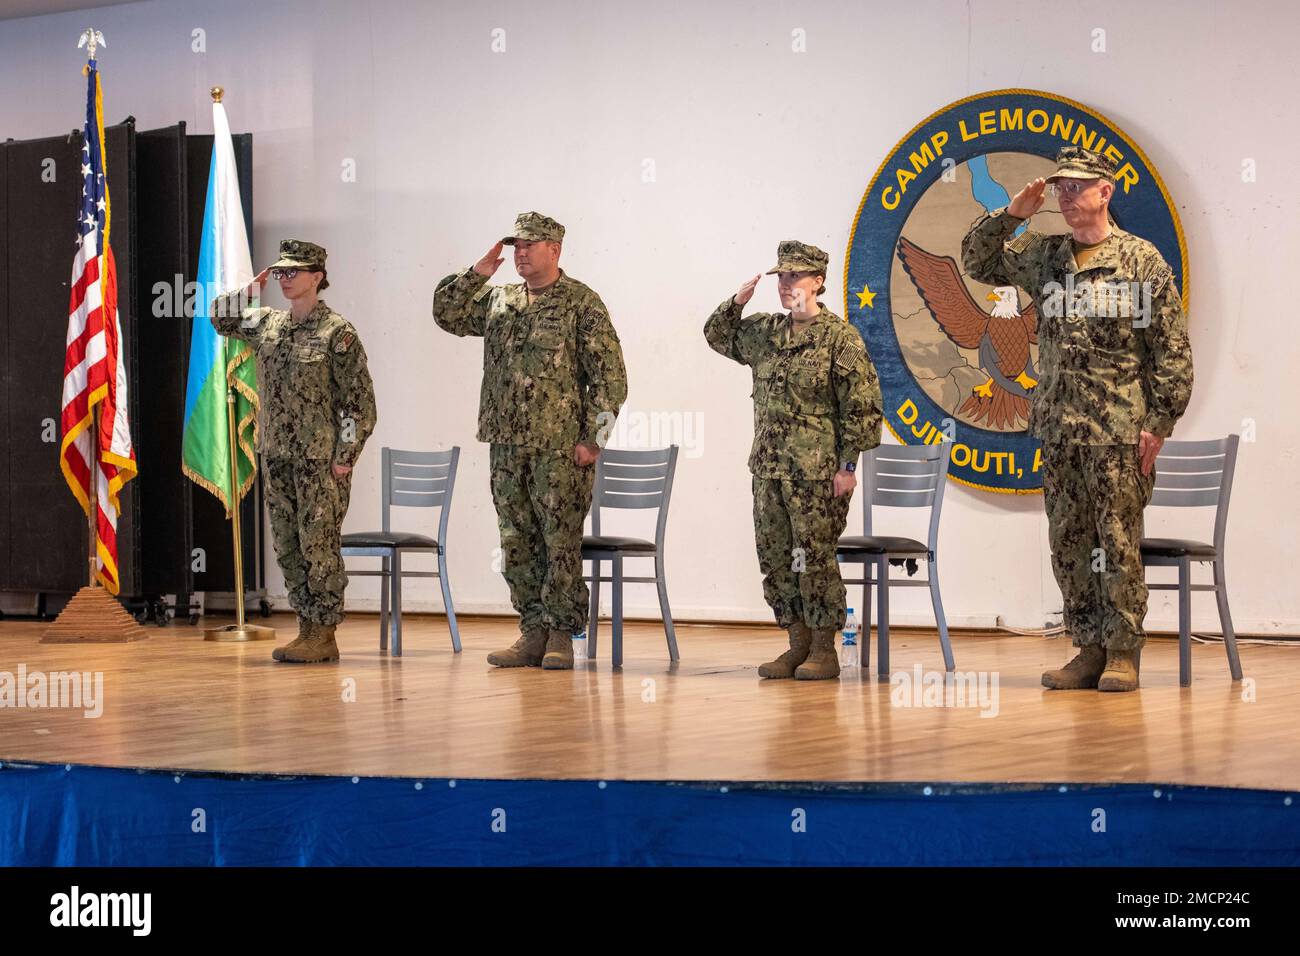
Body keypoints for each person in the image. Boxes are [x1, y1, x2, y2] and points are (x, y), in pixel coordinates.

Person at [961, 146, 1193, 692]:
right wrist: (1012, 213)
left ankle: (1121, 653)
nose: (1066, 197)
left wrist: (1159, 422)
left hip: (1118, 432)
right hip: (1060, 430)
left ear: (1104, 191)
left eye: (1077, 187)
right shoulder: (1046, 257)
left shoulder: (1141, 262)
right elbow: (976, 261)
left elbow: (1172, 351)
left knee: (1116, 541)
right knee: (1069, 542)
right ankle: (1086, 647)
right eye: (1061, 188)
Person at [433, 212, 628, 670]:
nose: (520, 253)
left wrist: (593, 440)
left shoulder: (581, 303)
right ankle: (532, 630)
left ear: (554, 250)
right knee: (515, 540)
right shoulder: (498, 300)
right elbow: (447, 314)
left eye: (530, 245)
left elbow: (610, 378)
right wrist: (477, 274)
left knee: (558, 540)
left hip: (560, 448)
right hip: (505, 443)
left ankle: (561, 632)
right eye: (516, 245)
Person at [705, 240, 881, 680]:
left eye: (795, 276)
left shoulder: (840, 339)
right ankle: (796, 643)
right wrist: (736, 302)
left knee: (814, 556)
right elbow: (716, 335)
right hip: (768, 468)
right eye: (780, 276)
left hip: (818, 473)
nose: (786, 285)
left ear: (818, 281)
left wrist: (848, 467)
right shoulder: (765, 332)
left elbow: (862, 406)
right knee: (776, 556)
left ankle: (824, 648)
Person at [211, 239, 377, 663]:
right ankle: (306, 626)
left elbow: (358, 404)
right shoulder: (268, 324)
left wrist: (345, 455)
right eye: (281, 272)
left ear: (317, 277)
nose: (285, 279)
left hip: (320, 461)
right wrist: (250, 289)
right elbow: (220, 318)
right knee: (287, 543)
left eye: (294, 272)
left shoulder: (337, 333)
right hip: (277, 453)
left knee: (317, 544)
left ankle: (324, 630)